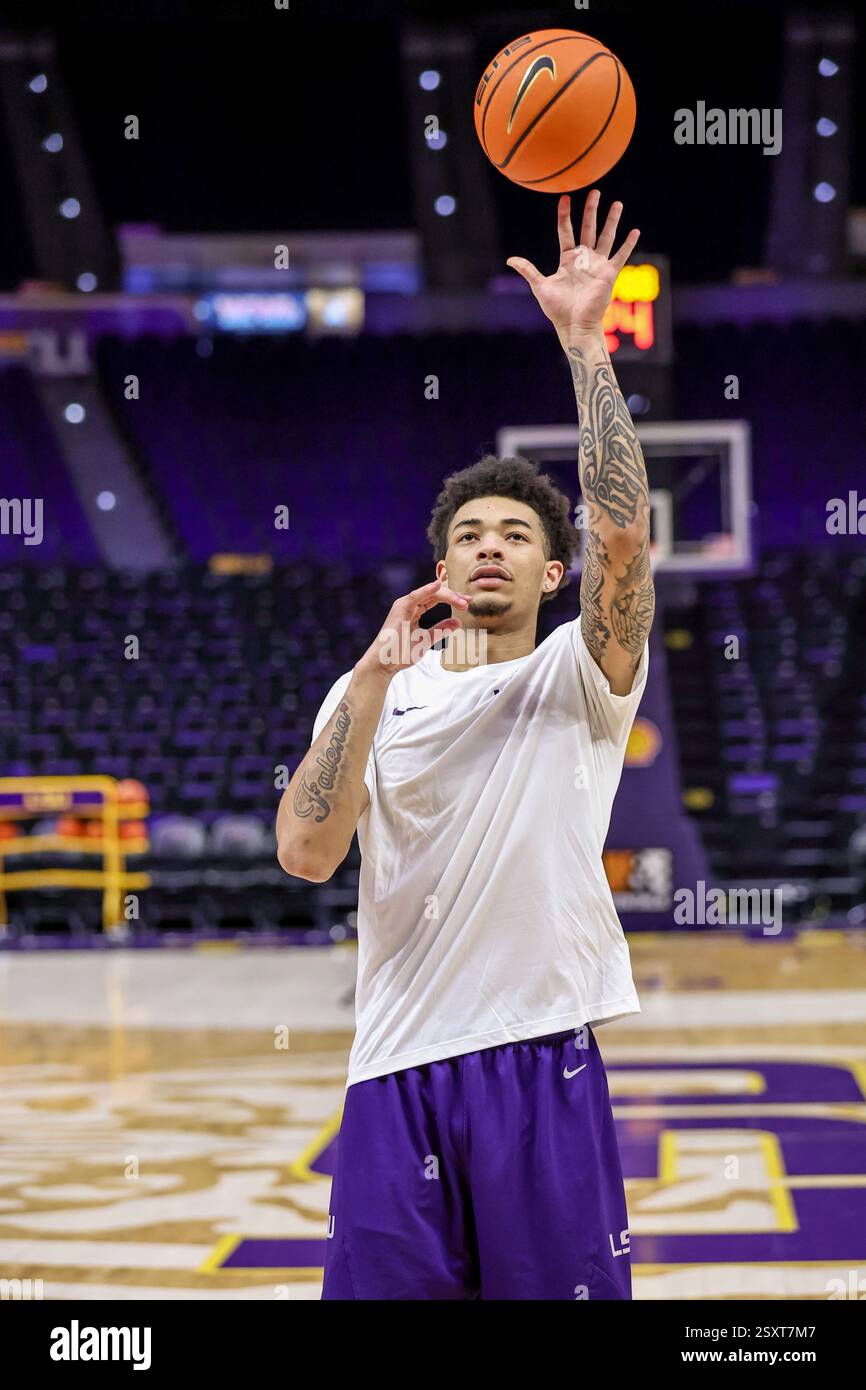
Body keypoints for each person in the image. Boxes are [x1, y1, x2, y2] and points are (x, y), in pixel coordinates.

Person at [277, 190, 655, 1300]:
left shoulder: (576, 675)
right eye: (467, 536)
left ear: (553, 573)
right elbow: (304, 852)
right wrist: (370, 677)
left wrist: (584, 344)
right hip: (391, 1070)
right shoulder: (369, 692)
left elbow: (622, 533)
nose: (487, 547)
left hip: (541, 1055)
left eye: (515, 536)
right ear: (441, 568)